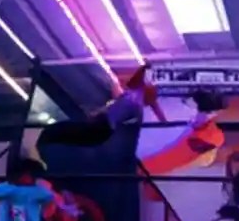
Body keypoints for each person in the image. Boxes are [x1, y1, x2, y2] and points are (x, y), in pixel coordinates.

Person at [29, 65, 167, 165]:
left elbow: (132, 90)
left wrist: (145, 67)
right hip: (103, 126)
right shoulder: (135, 101)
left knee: (68, 133)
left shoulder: (134, 100)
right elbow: (152, 106)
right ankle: (48, 144)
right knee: (73, 135)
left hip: (102, 125)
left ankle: (48, 143)